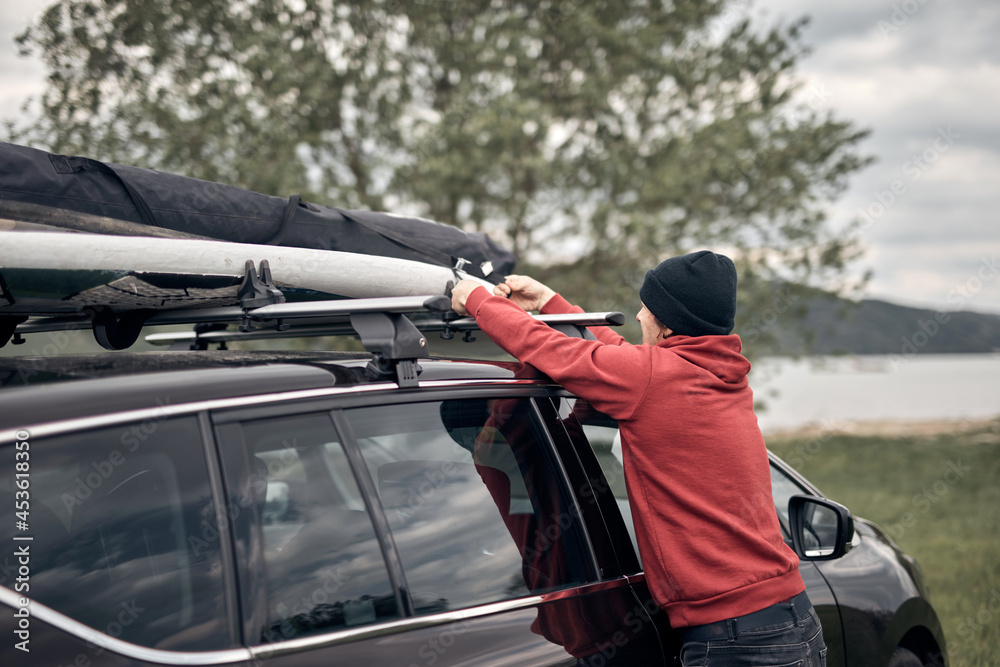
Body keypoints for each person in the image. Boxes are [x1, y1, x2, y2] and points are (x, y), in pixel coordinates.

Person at [450, 250, 826, 666]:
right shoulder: (721, 375)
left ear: (668, 324)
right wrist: (549, 301)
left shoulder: (649, 378)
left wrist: (477, 300)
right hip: (796, 619)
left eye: (648, 307)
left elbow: (547, 348)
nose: (639, 314)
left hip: (734, 638)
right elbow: (615, 352)